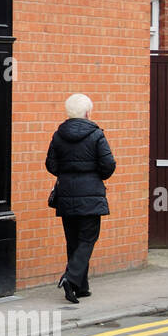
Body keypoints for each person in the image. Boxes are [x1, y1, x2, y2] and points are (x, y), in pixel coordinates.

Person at [45, 93, 116, 304]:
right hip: (90, 195)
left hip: (66, 194)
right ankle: (71, 278)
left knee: (73, 240)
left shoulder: (58, 135)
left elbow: (51, 165)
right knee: (87, 239)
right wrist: (95, 176)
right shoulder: (96, 135)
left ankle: (80, 287)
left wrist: (66, 175)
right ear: (87, 112)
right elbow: (109, 165)